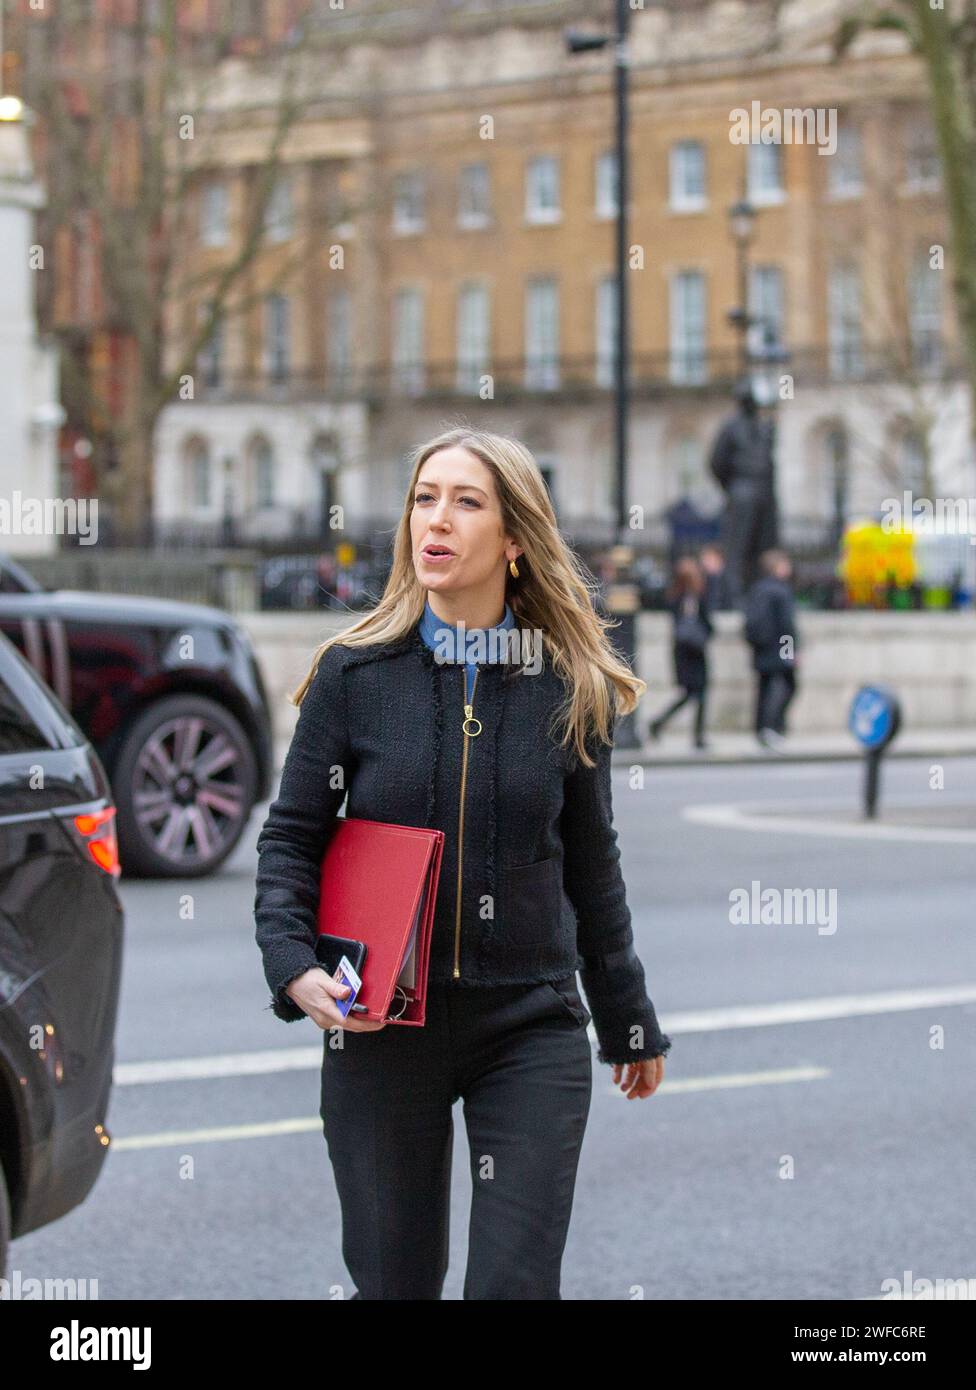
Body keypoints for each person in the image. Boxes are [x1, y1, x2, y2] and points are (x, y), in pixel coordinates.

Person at [253, 426, 672, 1301]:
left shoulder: (567, 685)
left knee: (514, 1288)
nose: (434, 521)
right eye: (423, 498)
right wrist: (294, 968)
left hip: (529, 1021)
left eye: (466, 502)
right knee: (394, 1282)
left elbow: (592, 866)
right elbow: (290, 837)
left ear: (514, 540)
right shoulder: (354, 675)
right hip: (381, 1030)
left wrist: (626, 1017)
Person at [647, 556, 713, 751]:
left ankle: (660, 724)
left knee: (690, 694)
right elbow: (705, 623)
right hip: (693, 652)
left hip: (682, 652)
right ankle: (697, 736)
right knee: (697, 694)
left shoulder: (675, 596)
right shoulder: (692, 598)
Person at [744, 548, 799, 750]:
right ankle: (774, 726)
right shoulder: (781, 591)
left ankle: (761, 729)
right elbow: (787, 625)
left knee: (764, 689)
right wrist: (791, 652)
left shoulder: (757, 589)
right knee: (790, 686)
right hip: (779, 648)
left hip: (761, 649)